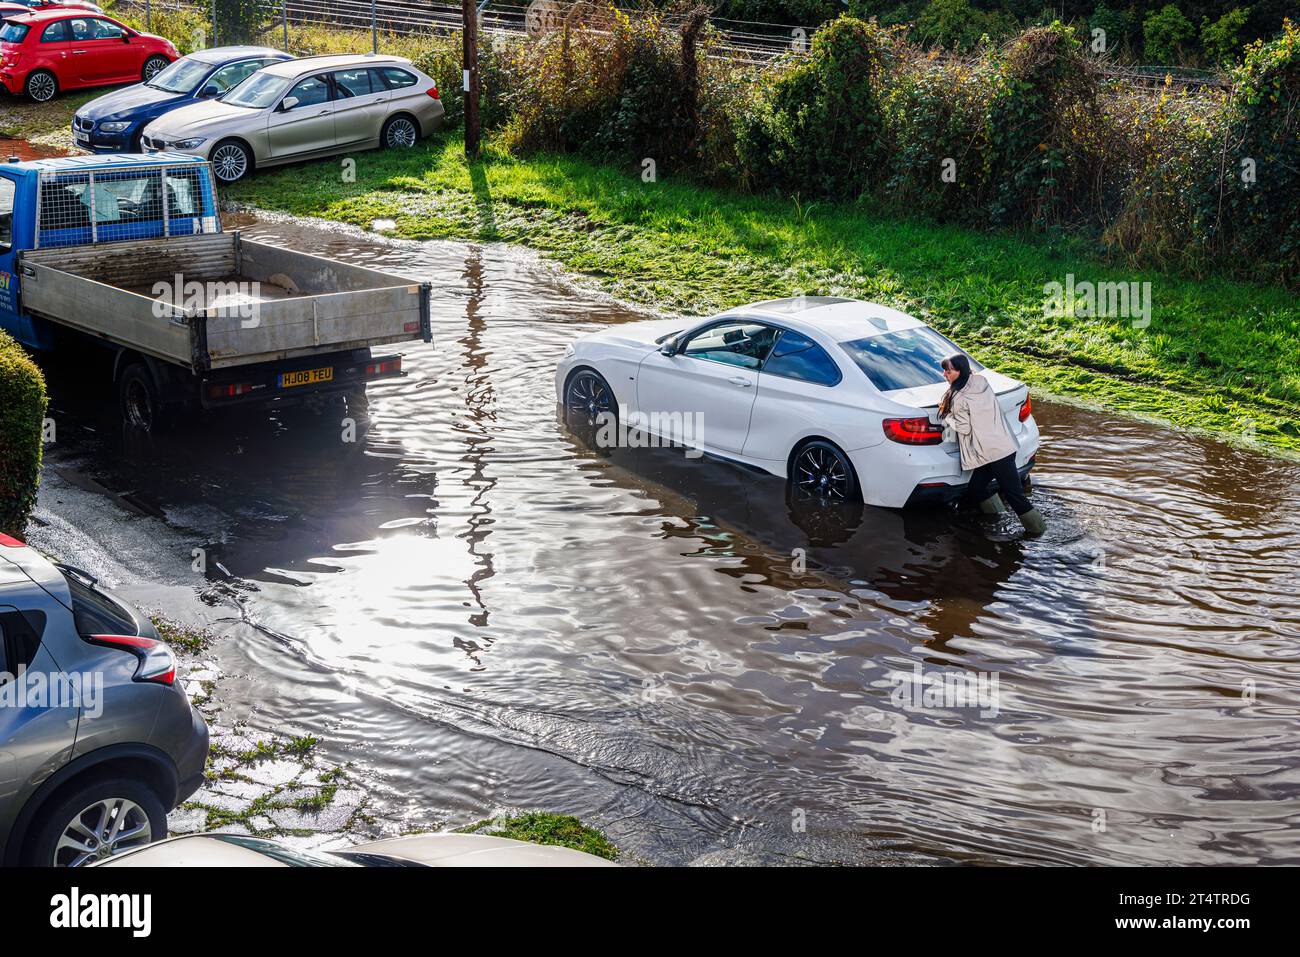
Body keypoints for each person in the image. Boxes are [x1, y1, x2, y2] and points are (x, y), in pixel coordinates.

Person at [938, 354, 1046, 538]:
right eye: (944, 370)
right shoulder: (981, 381)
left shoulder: (959, 398)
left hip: (994, 453)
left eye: (948, 371)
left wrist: (948, 417)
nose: (945, 374)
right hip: (999, 447)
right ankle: (997, 518)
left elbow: (963, 428)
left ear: (960, 371)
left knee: (1015, 496)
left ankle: (1039, 532)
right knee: (976, 489)